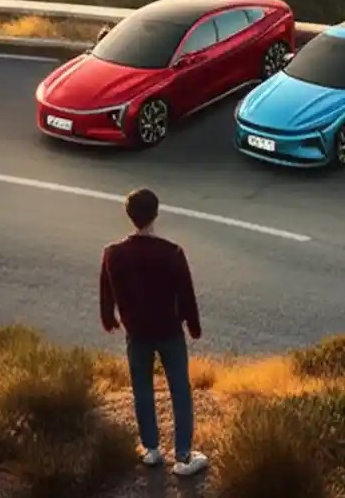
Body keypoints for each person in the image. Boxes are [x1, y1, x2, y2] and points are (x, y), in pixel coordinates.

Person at [99, 187, 209, 476]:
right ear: (156, 213)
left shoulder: (113, 254)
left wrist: (109, 318)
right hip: (169, 331)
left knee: (142, 389)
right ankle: (183, 456)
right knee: (179, 390)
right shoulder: (171, 253)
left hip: (137, 333)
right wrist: (194, 326)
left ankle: (151, 449)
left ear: (129, 216)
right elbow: (186, 295)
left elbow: (106, 291)